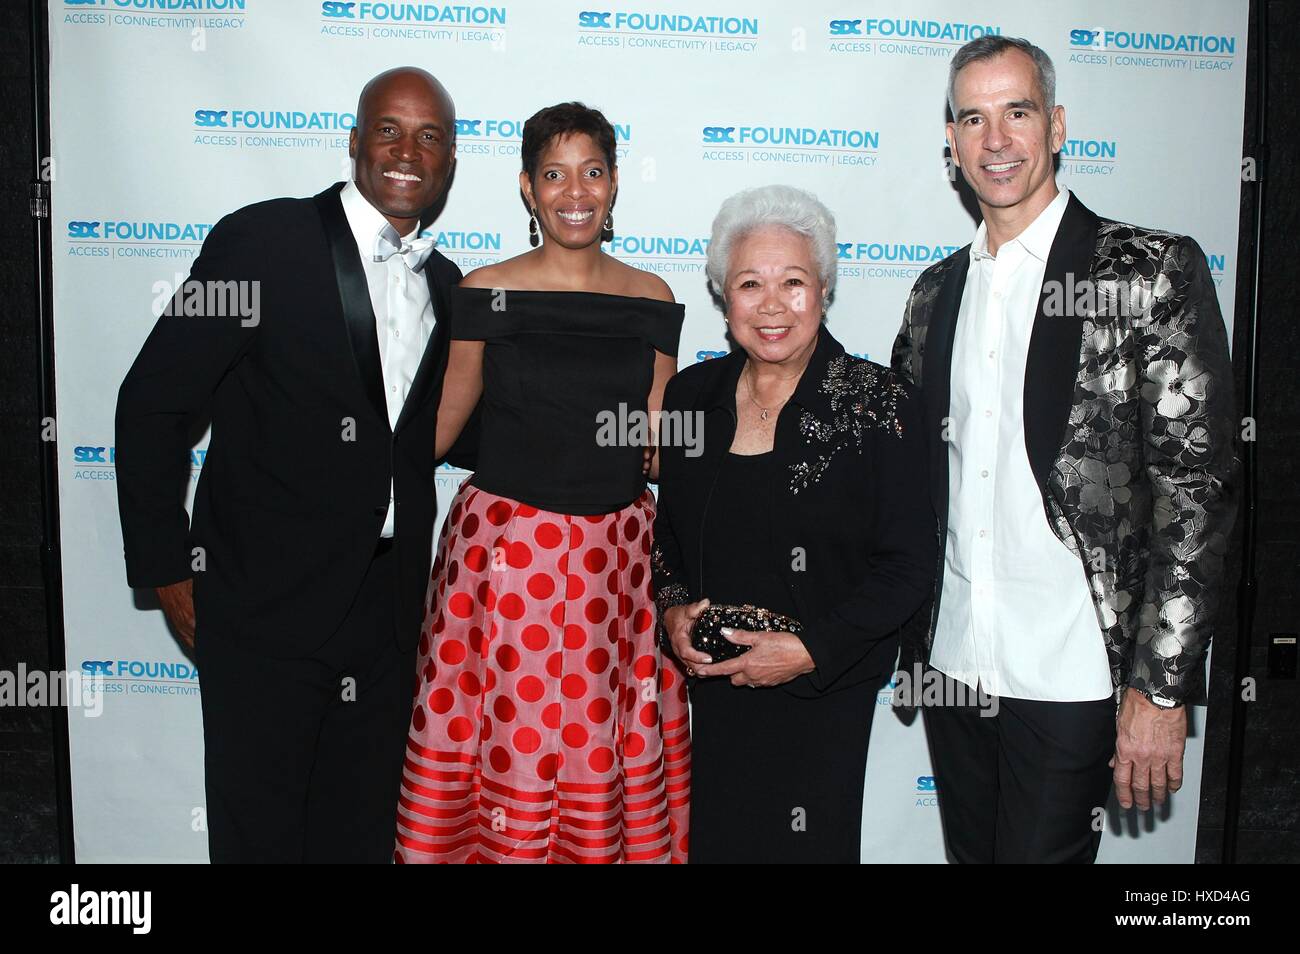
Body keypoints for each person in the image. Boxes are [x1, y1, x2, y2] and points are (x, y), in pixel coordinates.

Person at [892, 35, 1238, 863]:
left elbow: (1196, 492)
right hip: (956, 663)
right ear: (952, 140)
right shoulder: (934, 294)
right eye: (973, 118)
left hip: (1076, 665)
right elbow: (906, 483)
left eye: (1016, 112)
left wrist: (1161, 690)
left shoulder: (1147, 270)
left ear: (1056, 124)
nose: (996, 139)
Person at [115, 68, 471, 862]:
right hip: (262, 610)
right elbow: (152, 404)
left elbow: (452, 436)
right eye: (388, 129)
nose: (407, 151)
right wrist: (167, 569)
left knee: (357, 838)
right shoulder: (264, 240)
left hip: (385, 621)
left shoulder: (447, 287)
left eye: (430, 136)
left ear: (449, 162)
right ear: (354, 141)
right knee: (260, 842)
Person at [393, 102, 691, 863]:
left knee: (595, 726)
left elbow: (656, 443)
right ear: (527, 188)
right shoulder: (487, 291)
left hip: (614, 556)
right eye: (554, 174)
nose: (575, 191)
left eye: (592, 172)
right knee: (500, 727)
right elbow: (439, 429)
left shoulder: (651, 299)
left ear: (615, 183)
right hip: (503, 553)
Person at [653, 184, 936, 863]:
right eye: (751, 283)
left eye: (794, 282)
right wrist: (670, 614)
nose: (773, 304)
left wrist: (810, 650)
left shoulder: (879, 403)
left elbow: (907, 566)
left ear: (824, 291)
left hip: (824, 691)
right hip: (718, 695)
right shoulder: (693, 396)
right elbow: (666, 541)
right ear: (724, 297)